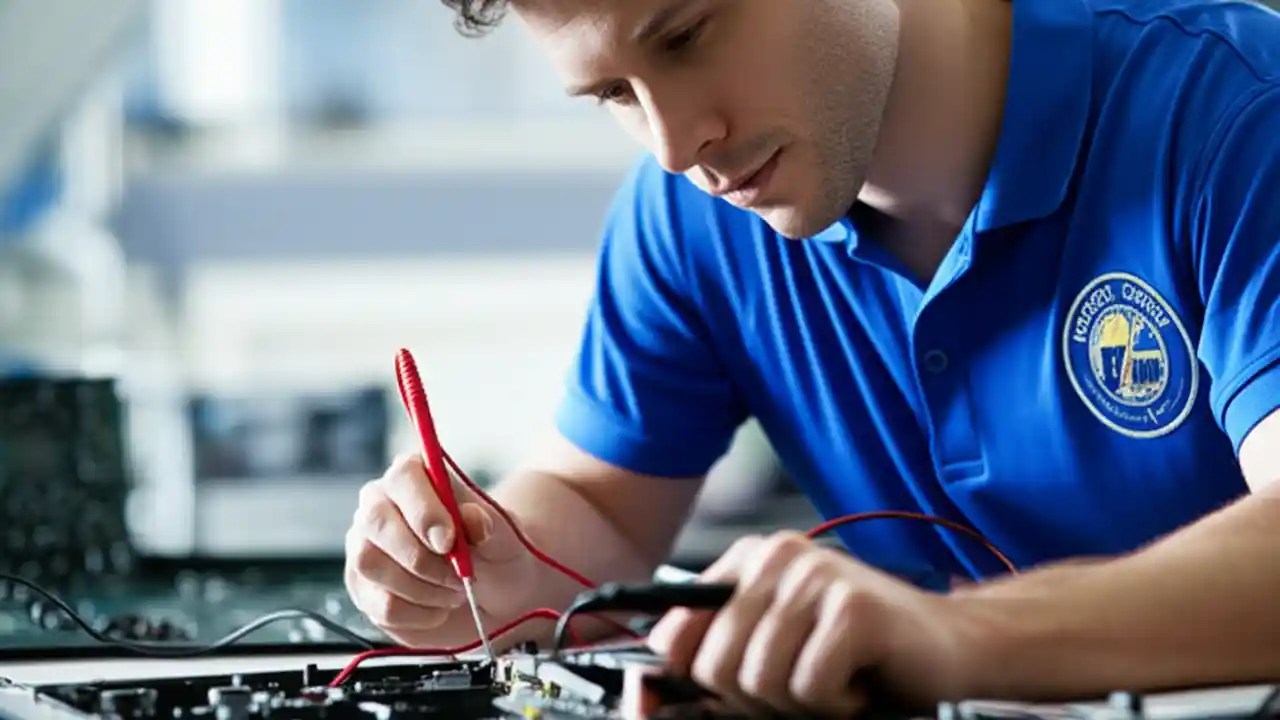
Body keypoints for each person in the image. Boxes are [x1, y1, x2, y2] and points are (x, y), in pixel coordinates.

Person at [343, 0, 1280, 714]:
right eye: (616, 95)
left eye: (686, 35)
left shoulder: (1235, 108)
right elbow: (600, 514)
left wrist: (949, 636)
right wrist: (486, 563)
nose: (678, 145)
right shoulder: (687, 217)